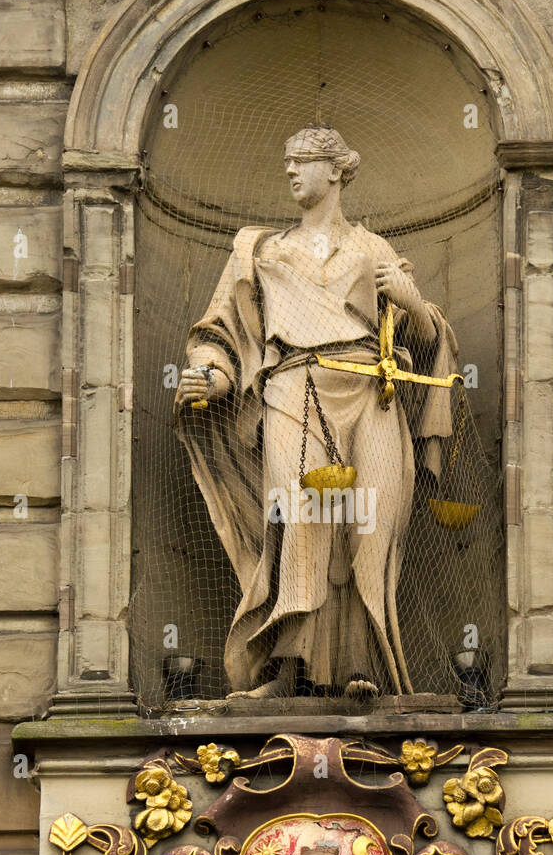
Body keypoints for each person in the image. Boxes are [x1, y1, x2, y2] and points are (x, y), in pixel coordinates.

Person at [174, 125, 457, 698]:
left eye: (301, 162)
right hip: (292, 388)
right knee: (301, 524)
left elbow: (427, 346)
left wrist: (410, 302)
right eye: (288, 163)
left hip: (370, 392)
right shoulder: (260, 249)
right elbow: (223, 333)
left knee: (369, 526)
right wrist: (213, 375)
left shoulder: (373, 249)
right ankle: (290, 673)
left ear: (336, 171)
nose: (290, 172)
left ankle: (365, 669)